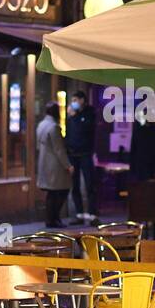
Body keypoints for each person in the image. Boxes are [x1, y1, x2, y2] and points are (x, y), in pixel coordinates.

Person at [36, 104, 72, 227]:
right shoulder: (54, 127)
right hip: (55, 165)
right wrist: (68, 165)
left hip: (44, 162)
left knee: (51, 193)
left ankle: (50, 219)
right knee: (61, 191)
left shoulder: (41, 125)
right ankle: (54, 219)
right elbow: (59, 149)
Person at [65, 90, 97, 222]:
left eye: (75, 100)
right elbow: (69, 133)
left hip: (85, 153)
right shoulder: (71, 116)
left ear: (82, 100)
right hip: (73, 154)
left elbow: (85, 130)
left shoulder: (89, 113)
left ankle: (92, 214)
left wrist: (75, 117)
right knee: (75, 185)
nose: (73, 103)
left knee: (90, 184)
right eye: (72, 101)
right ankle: (79, 214)